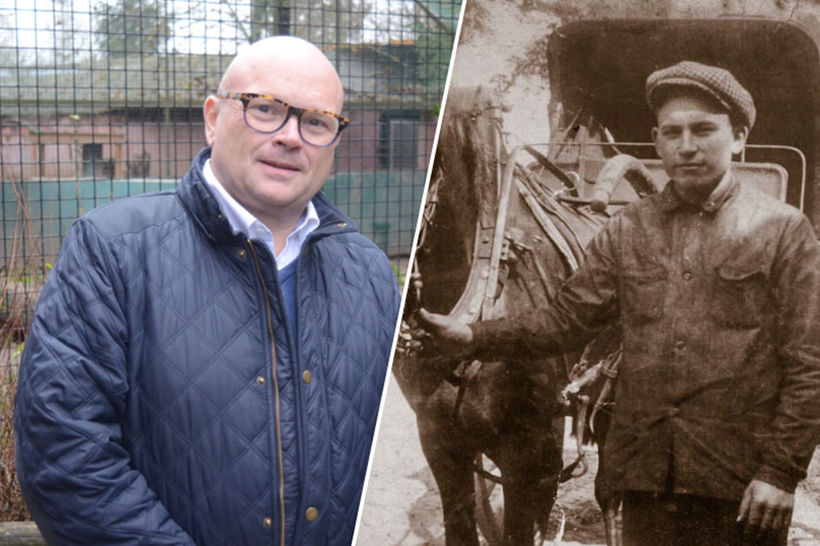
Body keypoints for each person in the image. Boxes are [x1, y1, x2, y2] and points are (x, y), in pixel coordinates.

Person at [414, 61, 820, 546]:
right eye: (672, 132)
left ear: (738, 138)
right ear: (657, 139)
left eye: (703, 130)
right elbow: (565, 321)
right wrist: (474, 336)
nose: (686, 145)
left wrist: (779, 473)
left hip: (738, 487)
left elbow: (809, 364)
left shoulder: (783, 231)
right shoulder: (628, 229)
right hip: (642, 480)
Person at [14, 36, 399, 546]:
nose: (291, 136)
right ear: (213, 117)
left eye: (316, 121)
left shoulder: (371, 271)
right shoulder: (111, 250)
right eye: (266, 109)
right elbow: (64, 456)